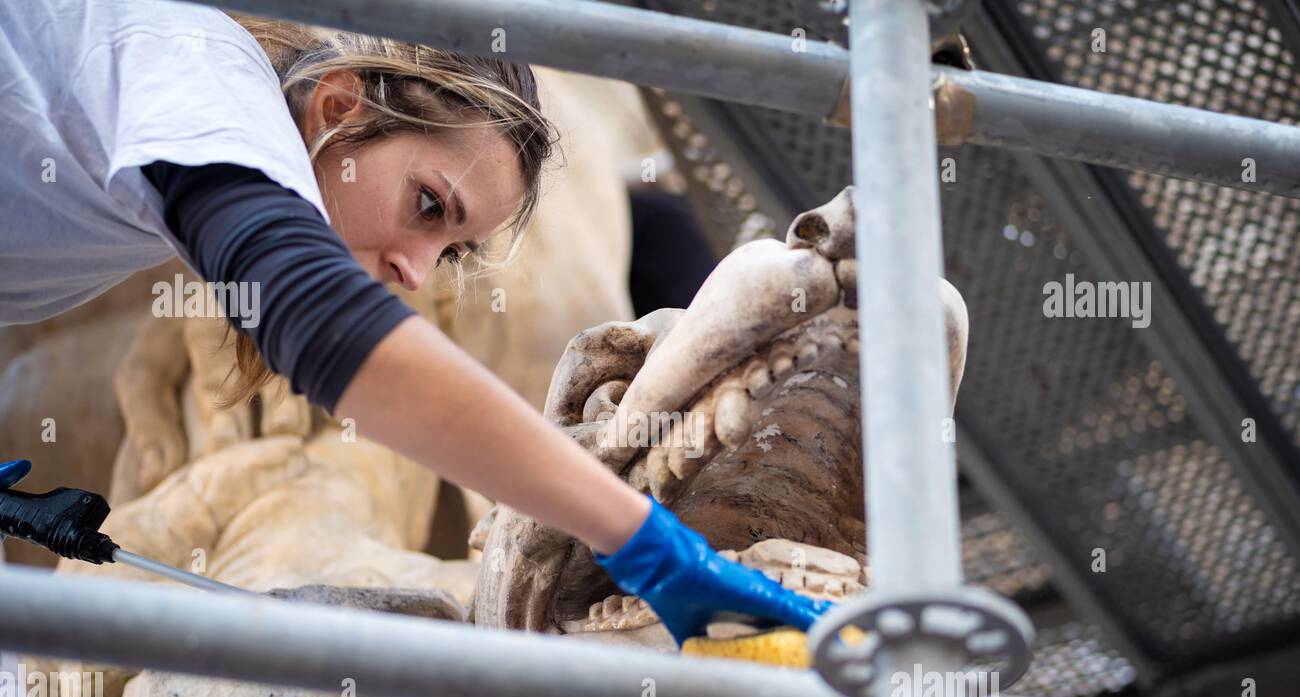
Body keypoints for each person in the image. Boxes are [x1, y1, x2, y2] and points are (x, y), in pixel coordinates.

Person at [0, 1, 830, 646]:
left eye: (453, 250)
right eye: (429, 205)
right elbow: (328, 328)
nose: (415, 272)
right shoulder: (204, 82)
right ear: (338, 107)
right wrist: (647, 544)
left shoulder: (162, 144)